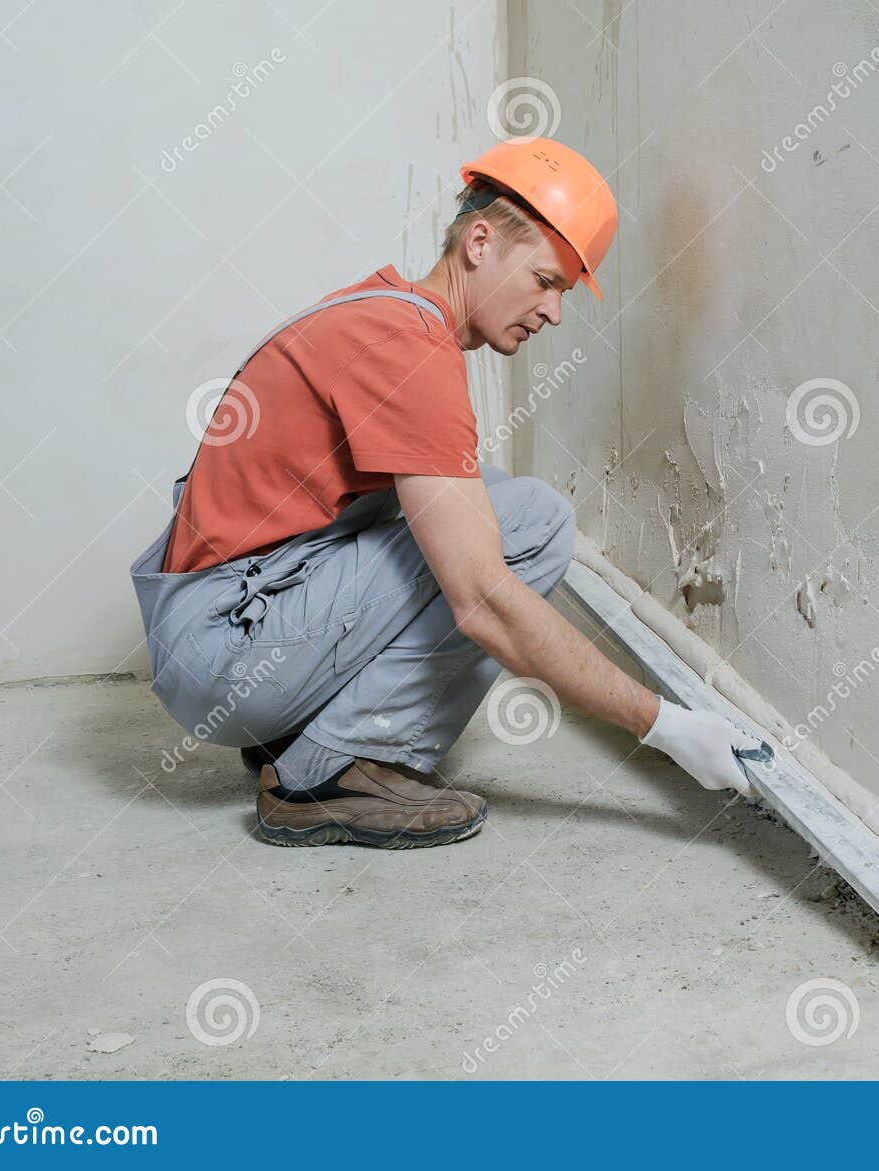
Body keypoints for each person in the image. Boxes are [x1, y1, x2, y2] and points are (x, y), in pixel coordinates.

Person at [128, 136, 759, 848]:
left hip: (219, 632)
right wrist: (667, 726)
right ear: (480, 241)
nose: (554, 313)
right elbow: (484, 600)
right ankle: (329, 771)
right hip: (225, 654)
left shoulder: (383, 310)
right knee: (530, 525)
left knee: (479, 501)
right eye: (548, 281)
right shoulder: (406, 348)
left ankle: (303, 733)